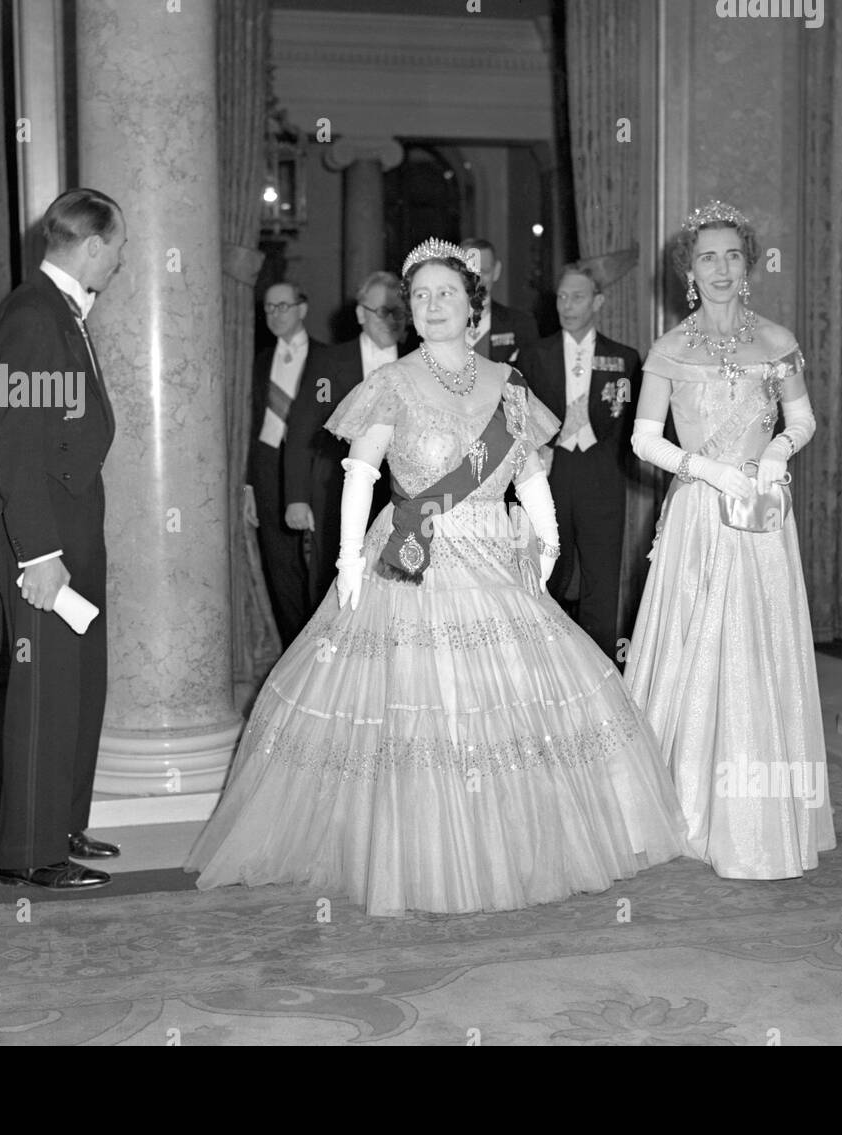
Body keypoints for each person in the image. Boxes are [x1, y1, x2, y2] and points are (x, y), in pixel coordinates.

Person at [186, 238, 687, 916]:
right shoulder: (390, 382)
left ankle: (507, 845)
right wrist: (346, 564)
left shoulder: (508, 385)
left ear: (474, 306)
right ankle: (421, 850)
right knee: (415, 708)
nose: (430, 305)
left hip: (493, 554)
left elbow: (533, 476)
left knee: (505, 706)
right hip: (410, 557)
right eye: (418, 296)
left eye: (445, 292)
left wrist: (547, 545)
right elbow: (360, 473)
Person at [624, 201, 836, 880]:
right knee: (693, 642)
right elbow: (642, 438)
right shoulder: (669, 349)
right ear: (688, 271)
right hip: (697, 511)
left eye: (732, 256)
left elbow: (802, 418)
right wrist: (707, 469)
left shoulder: (776, 340)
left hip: (762, 513)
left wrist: (776, 451)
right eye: (707, 257)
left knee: (755, 647)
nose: (720, 269)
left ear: (749, 266)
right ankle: (679, 804)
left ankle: (757, 812)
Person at [0, 187, 126, 890]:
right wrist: (40, 556)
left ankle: (60, 822)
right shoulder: (33, 318)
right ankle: (30, 851)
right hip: (42, 537)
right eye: (118, 248)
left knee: (78, 684)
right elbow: (14, 449)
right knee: (42, 689)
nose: (121, 261)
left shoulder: (60, 312)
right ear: (92, 245)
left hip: (68, 523)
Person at [522, 262, 640, 663]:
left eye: (577, 296)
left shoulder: (623, 359)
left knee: (601, 582)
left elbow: (632, 422)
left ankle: (601, 672)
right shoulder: (535, 354)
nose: (566, 304)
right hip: (550, 474)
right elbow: (519, 416)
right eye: (561, 296)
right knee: (545, 574)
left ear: (599, 302)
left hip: (602, 474)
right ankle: (544, 667)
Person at [282, 271, 405, 606]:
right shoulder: (328, 362)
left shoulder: (417, 360)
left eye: (397, 311)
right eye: (381, 311)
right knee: (331, 581)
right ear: (360, 313)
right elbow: (303, 429)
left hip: (400, 496)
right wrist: (297, 497)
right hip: (336, 490)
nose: (390, 320)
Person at [244, 282, 323, 646]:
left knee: (318, 564)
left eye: (283, 307)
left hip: (311, 469)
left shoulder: (328, 358)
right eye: (269, 309)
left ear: (302, 309)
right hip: (266, 470)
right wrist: (247, 485)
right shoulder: (256, 362)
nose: (275, 315)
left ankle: (323, 645)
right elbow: (246, 424)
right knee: (280, 569)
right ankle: (294, 649)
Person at [460, 237, 538, 365]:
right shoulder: (436, 322)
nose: (476, 280)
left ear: (496, 271)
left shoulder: (521, 325)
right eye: (469, 272)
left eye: (483, 271)